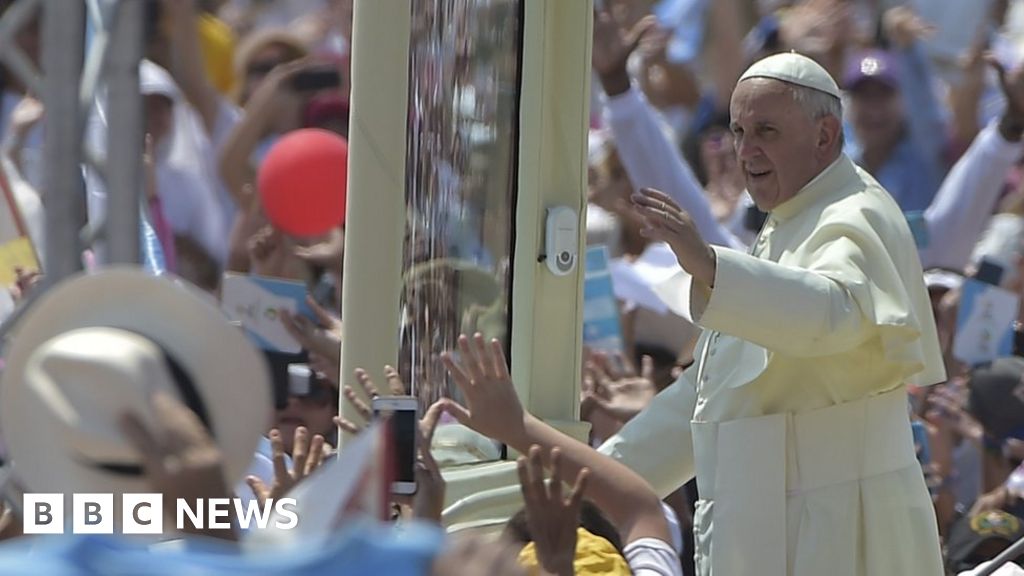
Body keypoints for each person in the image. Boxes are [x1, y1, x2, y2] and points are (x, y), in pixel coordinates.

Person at [597, 52, 947, 575]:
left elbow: (831, 312)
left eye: (766, 131)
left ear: (824, 136)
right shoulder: (787, 217)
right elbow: (709, 402)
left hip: (844, 534)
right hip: (771, 529)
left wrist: (713, 267)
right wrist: (593, 485)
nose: (746, 151)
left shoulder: (857, 212)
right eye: (738, 131)